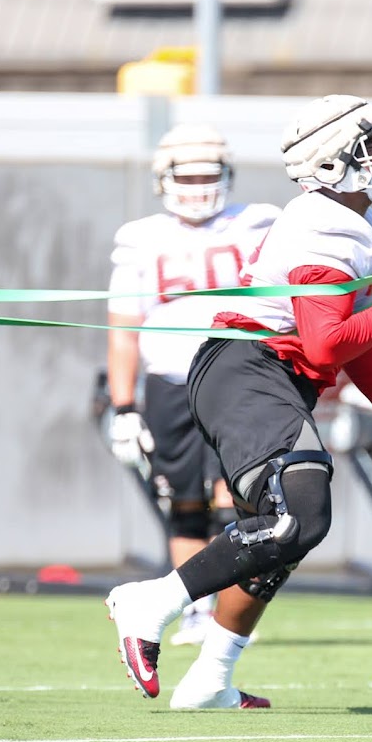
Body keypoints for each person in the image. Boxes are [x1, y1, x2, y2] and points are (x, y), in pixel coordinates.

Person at [105, 94, 372, 709]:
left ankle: (210, 679)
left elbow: (349, 343)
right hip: (248, 369)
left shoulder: (354, 219)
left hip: (260, 374)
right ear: (333, 165)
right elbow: (328, 347)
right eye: (370, 147)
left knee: (279, 532)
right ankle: (152, 602)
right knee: (300, 514)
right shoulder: (329, 223)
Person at [106, 123, 280, 647]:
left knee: (237, 499)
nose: (201, 186)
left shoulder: (258, 224)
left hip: (236, 375)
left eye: (210, 174)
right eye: (190, 175)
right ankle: (195, 611)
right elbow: (122, 326)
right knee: (183, 502)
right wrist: (123, 406)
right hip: (169, 381)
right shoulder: (141, 237)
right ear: (165, 179)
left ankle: (229, 612)